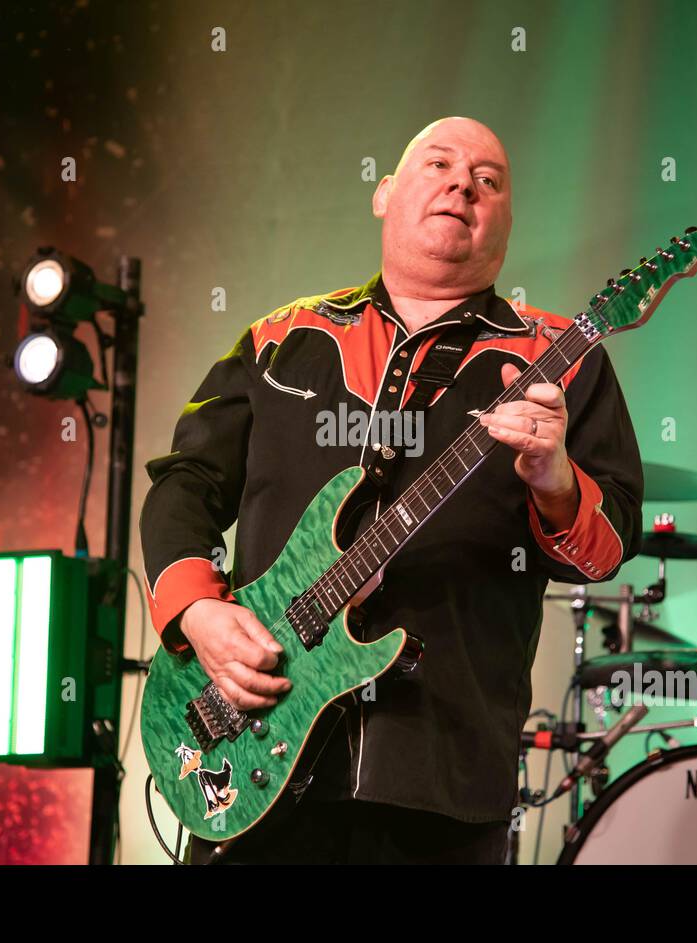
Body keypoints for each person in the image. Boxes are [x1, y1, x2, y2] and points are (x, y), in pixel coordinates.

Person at [140, 117, 644, 864]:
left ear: (506, 218)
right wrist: (199, 611)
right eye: (438, 163)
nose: (462, 184)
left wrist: (556, 482)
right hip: (251, 755)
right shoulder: (281, 338)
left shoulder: (562, 360)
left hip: (442, 776)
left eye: (489, 179)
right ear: (384, 194)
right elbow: (187, 482)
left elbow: (610, 545)